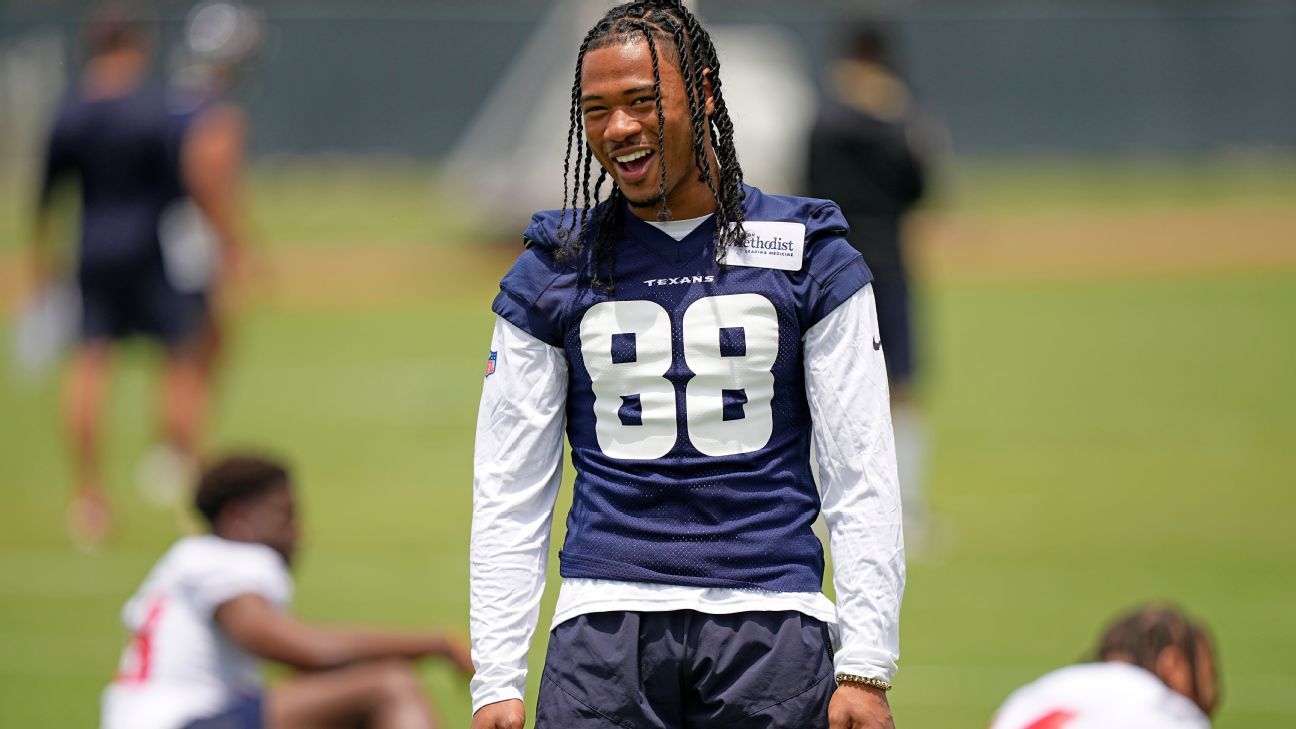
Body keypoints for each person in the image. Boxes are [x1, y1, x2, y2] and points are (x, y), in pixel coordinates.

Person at [470, 3, 903, 728]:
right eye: (597, 109)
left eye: (643, 101)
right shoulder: (552, 269)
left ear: (703, 93)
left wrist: (866, 661)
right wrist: (496, 676)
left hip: (770, 622)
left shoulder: (809, 255)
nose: (619, 129)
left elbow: (861, 468)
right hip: (603, 628)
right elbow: (509, 486)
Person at [27, 3, 229, 544]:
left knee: (90, 363)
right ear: (137, 44)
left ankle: (88, 497)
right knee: (180, 361)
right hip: (151, 247)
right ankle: (189, 484)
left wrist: (41, 267)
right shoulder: (153, 110)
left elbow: (47, 198)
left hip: (91, 248)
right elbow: (185, 185)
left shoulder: (70, 111)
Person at [100, 454, 474, 729]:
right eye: (285, 515)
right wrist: (435, 645)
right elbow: (310, 651)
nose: (297, 533)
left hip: (181, 717)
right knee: (389, 687)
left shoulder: (192, 559)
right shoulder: (230, 560)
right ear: (237, 521)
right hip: (183, 722)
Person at [806, 25, 934, 541]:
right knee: (900, 386)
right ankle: (909, 512)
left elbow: (808, 189)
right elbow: (921, 187)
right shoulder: (895, 120)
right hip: (888, 262)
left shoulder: (822, 119)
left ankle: (817, 512)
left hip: (832, 264)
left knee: (821, 383)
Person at [989, 604, 1219, 729]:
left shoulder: (1038, 693)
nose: (1215, 687)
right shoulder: (1164, 709)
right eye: (1210, 671)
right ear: (1173, 667)